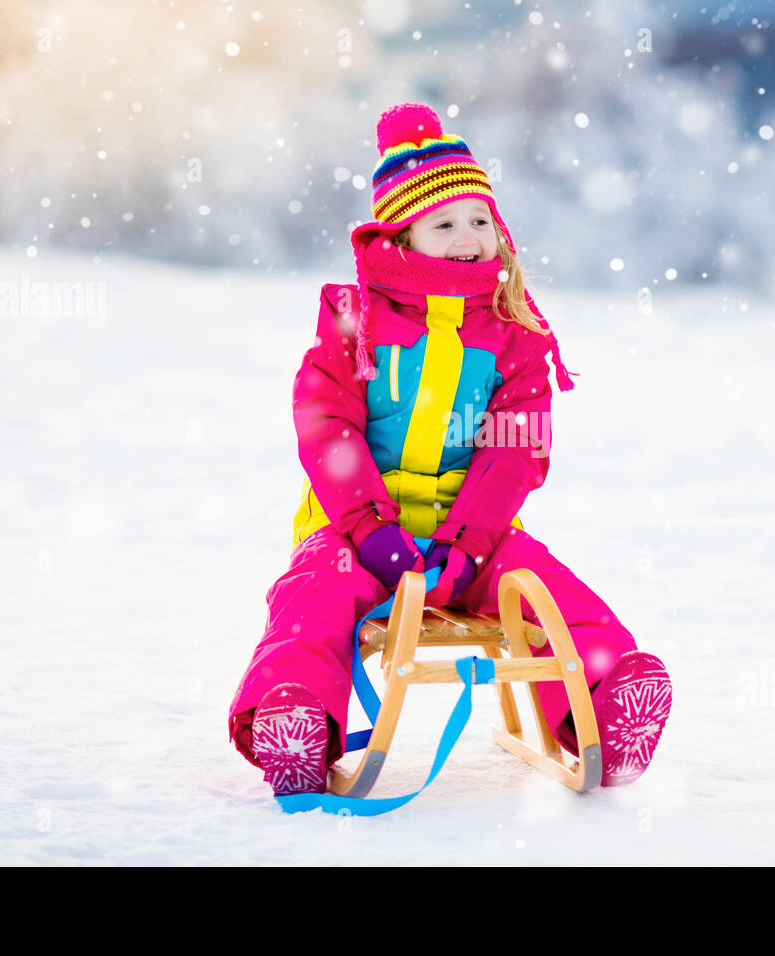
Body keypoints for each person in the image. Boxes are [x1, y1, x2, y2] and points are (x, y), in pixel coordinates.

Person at [227, 103, 672, 797]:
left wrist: (467, 545)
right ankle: (298, 720)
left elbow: (514, 453)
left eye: (480, 220)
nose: (469, 236)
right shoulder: (356, 320)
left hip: (474, 537)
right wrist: (371, 530)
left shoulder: (513, 333)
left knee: (543, 586)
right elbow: (326, 425)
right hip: (355, 531)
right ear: (402, 236)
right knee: (313, 596)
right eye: (445, 224)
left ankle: (609, 697)